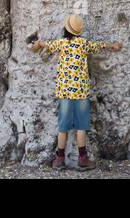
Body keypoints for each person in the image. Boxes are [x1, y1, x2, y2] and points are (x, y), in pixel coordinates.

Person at [29, 14, 122, 170]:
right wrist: (114, 46)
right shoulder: (84, 44)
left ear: (66, 28)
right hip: (81, 92)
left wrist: (38, 44)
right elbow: (99, 45)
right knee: (81, 127)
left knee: (63, 128)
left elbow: (46, 44)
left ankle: (59, 160)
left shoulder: (62, 43)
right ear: (79, 31)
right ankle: (83, 159)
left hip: (64, 92)